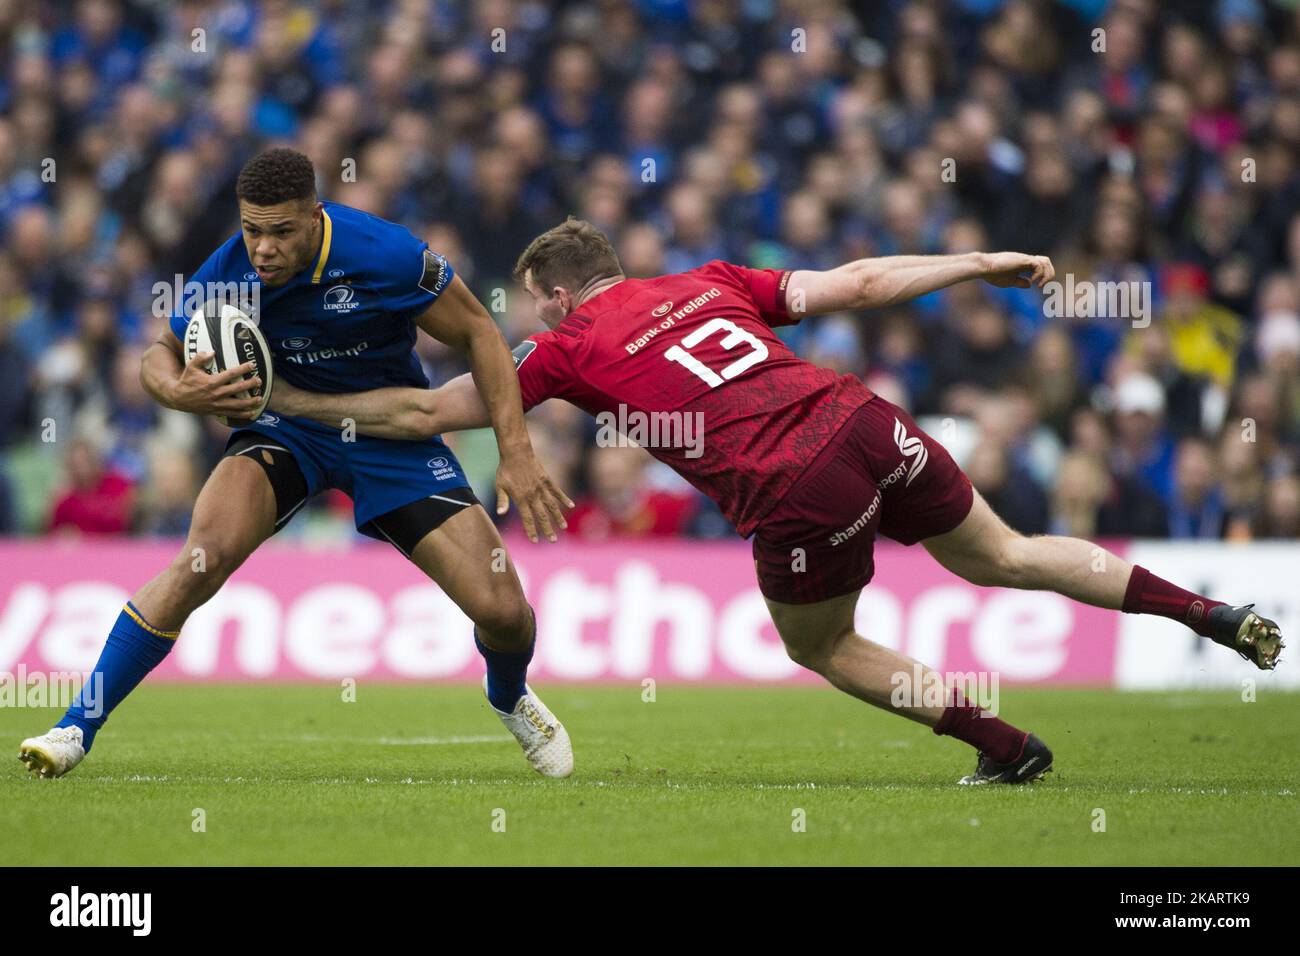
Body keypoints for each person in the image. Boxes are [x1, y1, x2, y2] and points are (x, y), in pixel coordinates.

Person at [268, 217, 1285, 785]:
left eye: (536, 303)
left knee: (822, 645)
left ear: (558, 294)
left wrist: (288, 395)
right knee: (1007, 551)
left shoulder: (568, 344)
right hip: (861, 418)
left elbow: (433, 409)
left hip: (794, 480)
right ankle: (1209, 612)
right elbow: (857, 280)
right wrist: (977, 264)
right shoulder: (711, 278)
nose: (533, 318)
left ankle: (1006, 748)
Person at [18, 149, 574, 780]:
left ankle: (508, 696)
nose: (263, 249)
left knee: (503, 611)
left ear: (315, 217)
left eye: (281, 232)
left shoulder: (384, 254)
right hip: (285, 430)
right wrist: (178, 391)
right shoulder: (228, 271)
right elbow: (159, 355)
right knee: (200, 561)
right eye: (252, 230)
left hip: (389, 436)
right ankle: (74, 728)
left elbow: (480, 333)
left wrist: (517, 453)